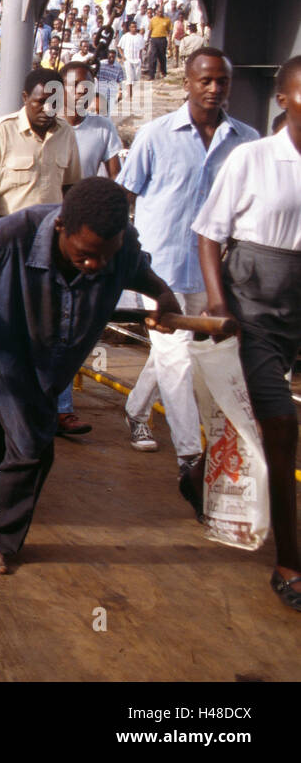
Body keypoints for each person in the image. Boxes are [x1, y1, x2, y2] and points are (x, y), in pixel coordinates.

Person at [0, 178, 181, 575]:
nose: (96, 266)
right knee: (33, 439)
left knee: (13, 418)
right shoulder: (5, 239)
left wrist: (163, 295)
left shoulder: (119, 244)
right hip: (1, 340)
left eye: (105, 258)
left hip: (58, 351)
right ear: (61, 226)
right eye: (86, 255)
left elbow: (138, 271)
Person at [119, 49, 259, 499]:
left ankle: (135, 408)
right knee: (176, 357)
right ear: (188, 84)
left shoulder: (246, 142)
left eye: (222, 81)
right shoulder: (155, 136)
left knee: (178, 351)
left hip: (215, 275)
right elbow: (124, 196)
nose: (214, 89)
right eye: (205, 81)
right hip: (160, 271)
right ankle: (190, 459)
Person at [193, 55, 301, 612]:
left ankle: (199, 474)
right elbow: (209, 235)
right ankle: (290, 560)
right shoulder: (254, 158)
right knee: (281, 426)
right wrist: (217, 302)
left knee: (263, 426)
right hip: (255, 305)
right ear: (283, 99)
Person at [0, 66, 85, 435]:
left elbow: (71, 189)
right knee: (8, 321)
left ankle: (59, 409)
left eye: (54, 102)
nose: (48, 109)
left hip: (52, 243)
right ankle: (1, 404)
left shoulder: (67, 134)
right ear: (24, 99)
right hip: (8, 240)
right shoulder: (1, 131)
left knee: (57, 325)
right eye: (40, 102)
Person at [61, 61, 121, 179]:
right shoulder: (46, 126)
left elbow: (115, 176)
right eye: (75, 84)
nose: (82, 90)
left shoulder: (103, 127)